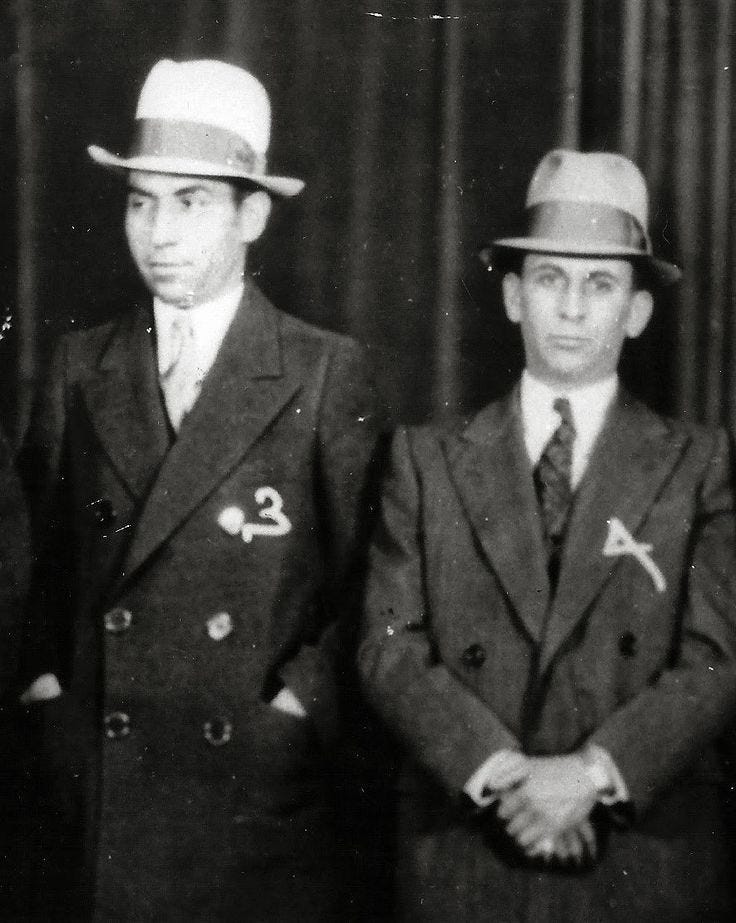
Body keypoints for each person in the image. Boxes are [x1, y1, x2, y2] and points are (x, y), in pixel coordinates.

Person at [19, 58, 383, 921]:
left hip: (249, 790)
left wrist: (296, 709)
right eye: (140, 201)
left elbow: (374, 583)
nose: (159, 232)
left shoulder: (323, 370)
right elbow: (29, 560)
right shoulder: (80, 365)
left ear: (252, 215)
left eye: (191, 202)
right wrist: (44, 690)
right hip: (102, 785)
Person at [359, 149, 736, 921]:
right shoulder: (425, 459)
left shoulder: (700, 464)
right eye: (549, 279)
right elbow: (388, 647)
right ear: (512, 296)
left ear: (637, 310)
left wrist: (591, 774)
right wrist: (504, 775)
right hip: (468, 855)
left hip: (638, 864)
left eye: (600, 285)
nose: (571, 308)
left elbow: (716, 659)